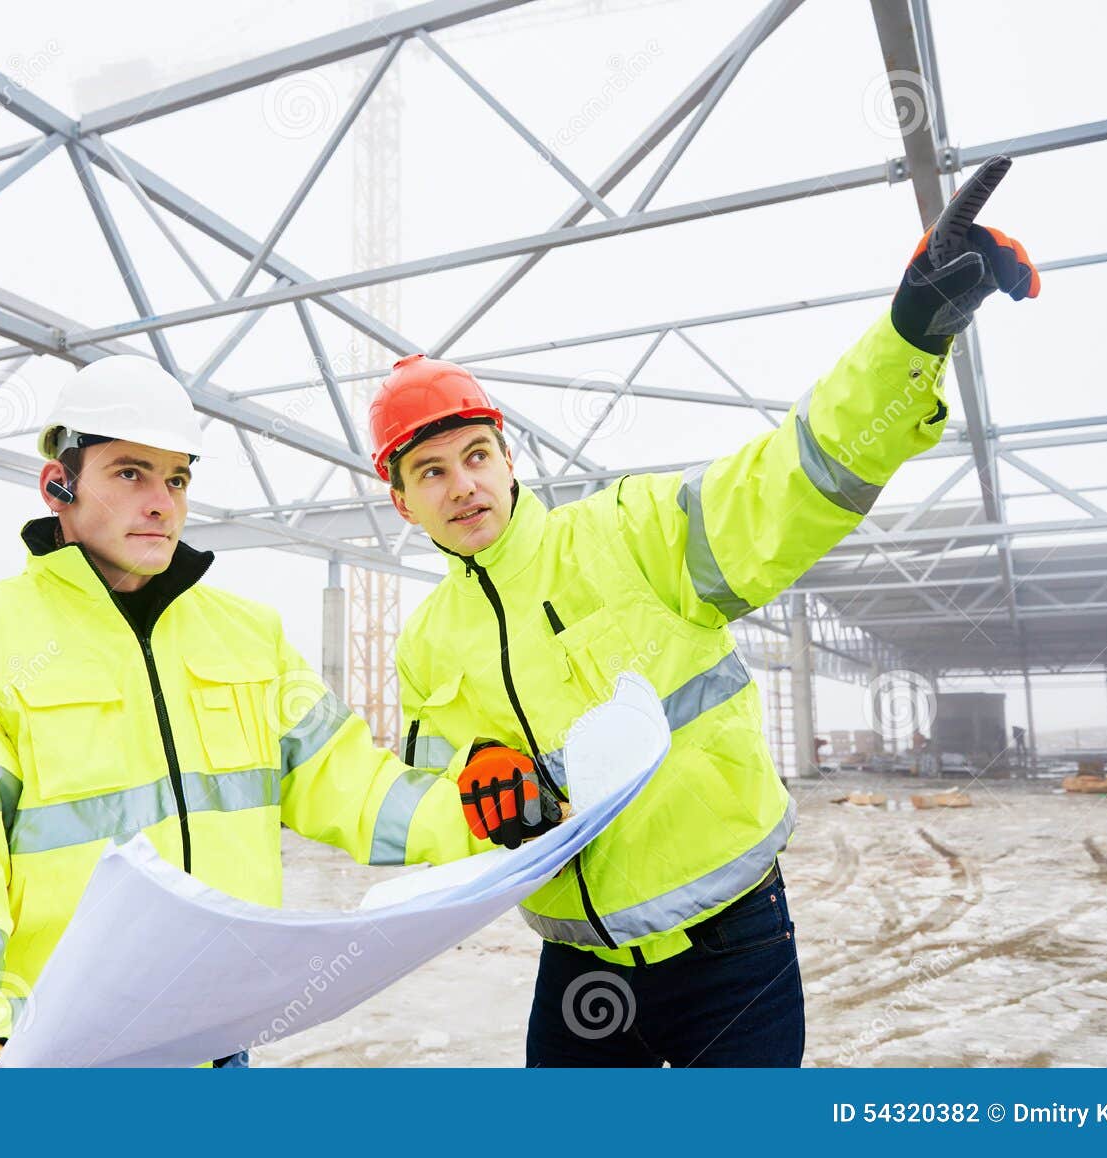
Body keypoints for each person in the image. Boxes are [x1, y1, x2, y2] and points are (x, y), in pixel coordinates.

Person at [370, 157, 1040, 1066]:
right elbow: (439, 796)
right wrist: (485, 796)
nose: (464, 485)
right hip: (579, 969)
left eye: (477, 454)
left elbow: (791, 481)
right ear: (403, 500)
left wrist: (910, 337)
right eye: (431, 471)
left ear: (509, 457)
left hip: (732, 945)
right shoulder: (424, 643)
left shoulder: (628, 534)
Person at [0, 354, 525, 1068]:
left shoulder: (246, 637)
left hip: (218, 1048)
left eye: (176, 478)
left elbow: (350, 780)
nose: (161, 502)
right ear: (59, 486)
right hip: (57, 1064)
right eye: (129, 473)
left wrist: (485, 814)